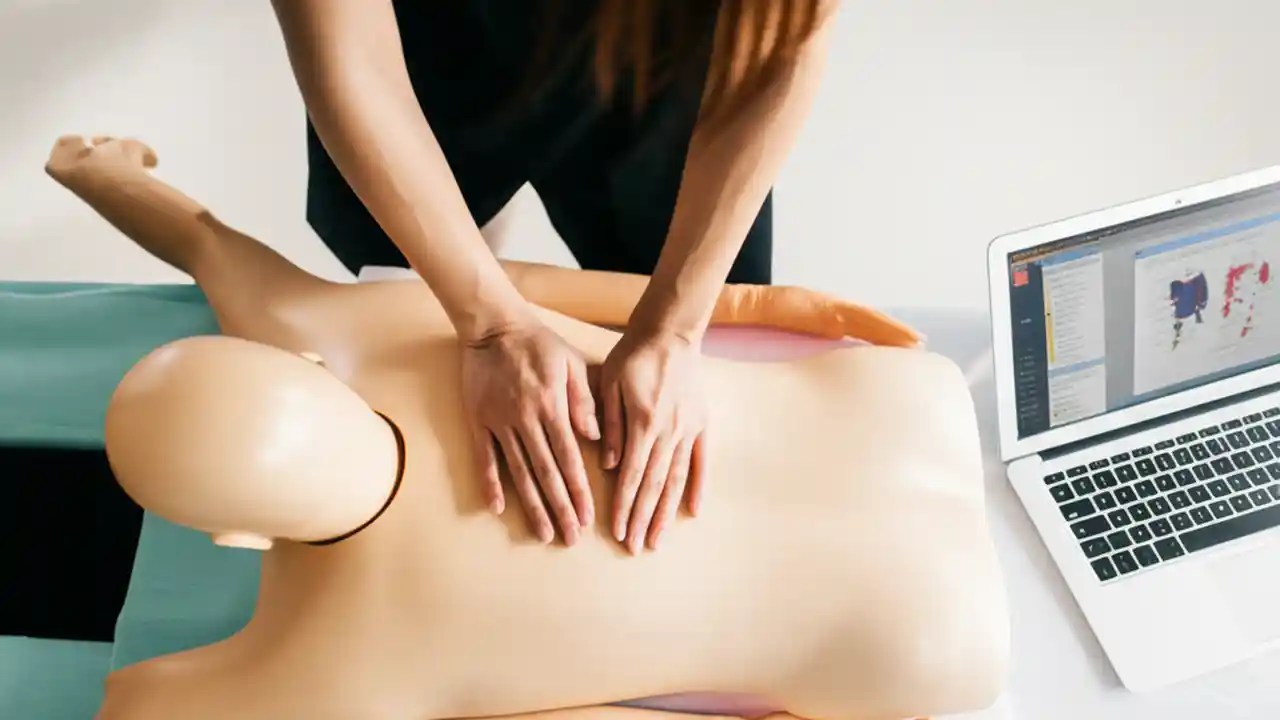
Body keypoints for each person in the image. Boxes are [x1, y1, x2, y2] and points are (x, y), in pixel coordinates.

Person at [46, 136, 1005, 720]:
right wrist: (769, 299)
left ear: (235, 538)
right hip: (906, 406)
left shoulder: (345, 664)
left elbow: (146, 703)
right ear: (283, 365)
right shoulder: (338, 325)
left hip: (922, 643)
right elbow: (211, 242)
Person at [270, 0, 838, 552]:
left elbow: (779, 47)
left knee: (710, 378)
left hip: (657, 56)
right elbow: (354, 59)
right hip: (433, 45)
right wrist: (492, 327)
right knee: (418, 321)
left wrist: (675, 331)